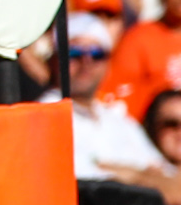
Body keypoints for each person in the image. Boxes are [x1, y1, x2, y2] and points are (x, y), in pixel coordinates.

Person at [67, 14, 169, 182]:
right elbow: (85, 182)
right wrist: (140, 175)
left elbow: (173, 179)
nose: (86, 61)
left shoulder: (119, 119)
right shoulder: (45, 116)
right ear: (55, 58)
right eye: (74, 52)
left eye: (97, 54)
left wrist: (129, 175)